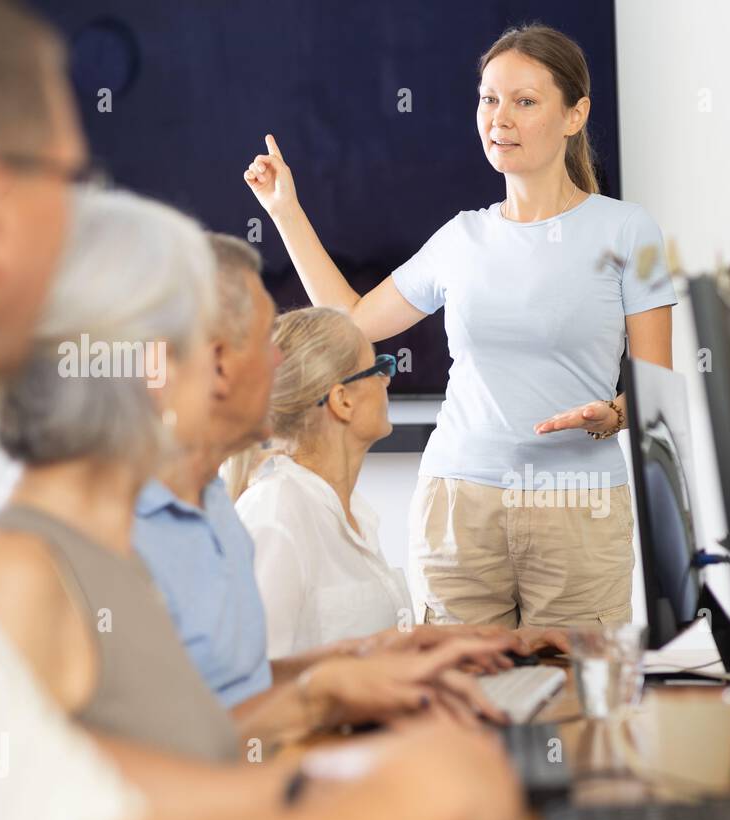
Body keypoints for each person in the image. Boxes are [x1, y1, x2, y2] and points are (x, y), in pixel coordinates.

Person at [0, 0, 520, 820]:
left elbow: (100, 788)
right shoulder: (15, 564)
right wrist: (421, 794)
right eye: (71, 178)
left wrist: (336, 749)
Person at [243, 23, 676, 630]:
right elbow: (352, 325)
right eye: (489, 98)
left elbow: (656, 387)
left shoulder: (628, 231)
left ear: (575, 115)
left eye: (525, 102)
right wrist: (284, 211)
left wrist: (617, 414)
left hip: (580, 505)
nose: (500, 117)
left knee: (576, 708)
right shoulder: (462, 237)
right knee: (460, 704)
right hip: (458, 503)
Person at [131, 234, 535, 727]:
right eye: (262, 345)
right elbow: (230, 713)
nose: (276, 369)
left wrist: (400, 650)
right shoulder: (268, 514)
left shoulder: (292, 506)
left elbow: (255, 677)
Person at [234, 306, 414, 653]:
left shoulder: (353, 511)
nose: (387, 380)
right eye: (379, 369)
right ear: (342, 401)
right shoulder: (275, 513)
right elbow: (256, 680)